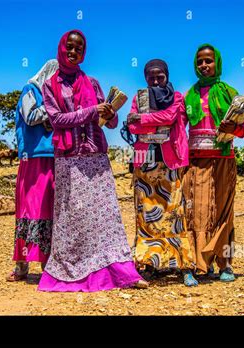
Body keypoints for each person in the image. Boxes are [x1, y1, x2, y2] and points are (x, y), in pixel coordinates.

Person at [38, 30, 148, 292]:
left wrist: (110, 114)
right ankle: (72, 272)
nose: (73, 52)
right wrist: (91, 111)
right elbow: (57, 121)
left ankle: (120, 272)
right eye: (69, 47)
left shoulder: (93, 83)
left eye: (79, 48)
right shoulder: (49, 86)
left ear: (84, 53)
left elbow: (109, 124)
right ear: (61, 49)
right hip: (69, 160)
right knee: (73, 218)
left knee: (106, 216)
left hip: (96, 156)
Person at [183, 44, 244, 282]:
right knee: (197, 213)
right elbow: (178, 126)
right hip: (195, 163)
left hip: (224, 159)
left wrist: (235, 128)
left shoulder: (230, 93)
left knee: (223, 213)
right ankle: (196, 264)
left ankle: (225, 265)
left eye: (209, 61)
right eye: (200, 62)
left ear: (217, 63)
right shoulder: (189, 95)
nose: (204, 65)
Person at [127, 59, 197, 287]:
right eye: (151, 77)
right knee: (146, 216)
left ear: (167, 76)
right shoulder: (139, 98)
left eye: (160, 77)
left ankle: (184, 266)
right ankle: (149, 264)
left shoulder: (176, 97)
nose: (156, 81)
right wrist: (146, 123)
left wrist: (145, 119)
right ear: (145, 78)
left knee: (174, 213)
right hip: (144, 163)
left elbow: (169, 117)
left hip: (170, 162)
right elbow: (133, 127)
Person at [7, 59, 58, 282]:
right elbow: (30, 116)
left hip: (53, 158)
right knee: (29, 209)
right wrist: (55, 110)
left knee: (49, 209)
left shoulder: (55, 96)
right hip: (33, 159)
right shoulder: (31, 90)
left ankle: (48, 264)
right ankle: (22, 264)